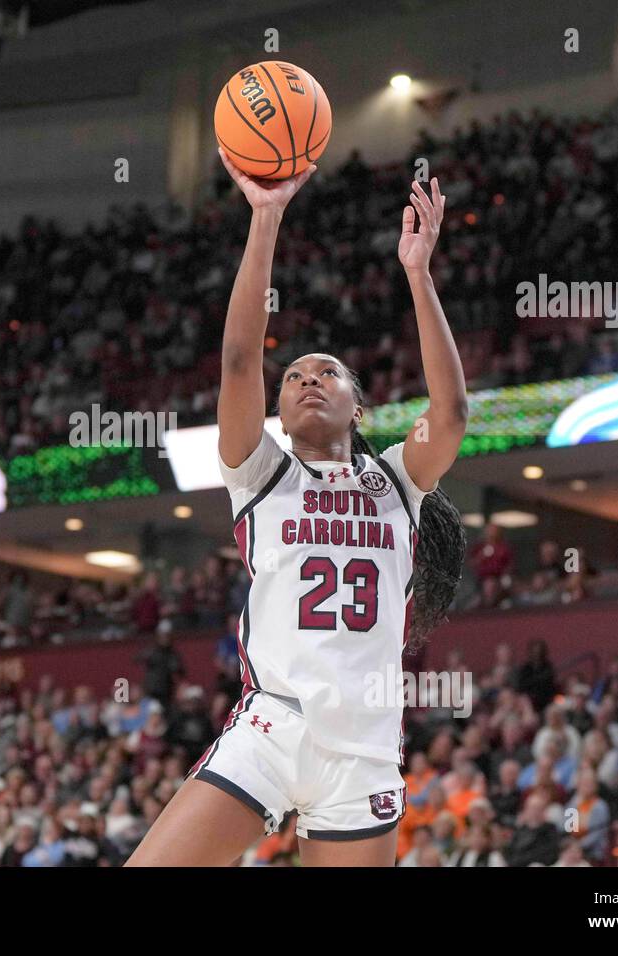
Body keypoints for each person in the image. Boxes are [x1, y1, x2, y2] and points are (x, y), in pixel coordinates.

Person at [129, 154, 467, 866]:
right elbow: (238, 360)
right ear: (277, 409)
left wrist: (418, 274)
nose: (308, 379)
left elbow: (453, 411)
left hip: (365, 751)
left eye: (328, 372)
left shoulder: (399, 482)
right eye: (295, 377)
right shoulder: (259, 472)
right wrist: (266, 215)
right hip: (273, 730)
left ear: (358, 404)